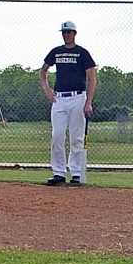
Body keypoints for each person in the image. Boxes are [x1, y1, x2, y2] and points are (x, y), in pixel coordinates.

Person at [38, 21, 96, 186]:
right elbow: (43, 71)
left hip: (78, 97)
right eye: (64, 32)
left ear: (74, 34)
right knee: (57, 136)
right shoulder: (56, 52)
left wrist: (89, 101)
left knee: (76, 137)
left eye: (69, 32)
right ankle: (58, 173)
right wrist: (47, 90)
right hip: (59, 99)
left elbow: (92, 77)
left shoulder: (82, 53)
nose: (66, 35)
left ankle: (76, 173)